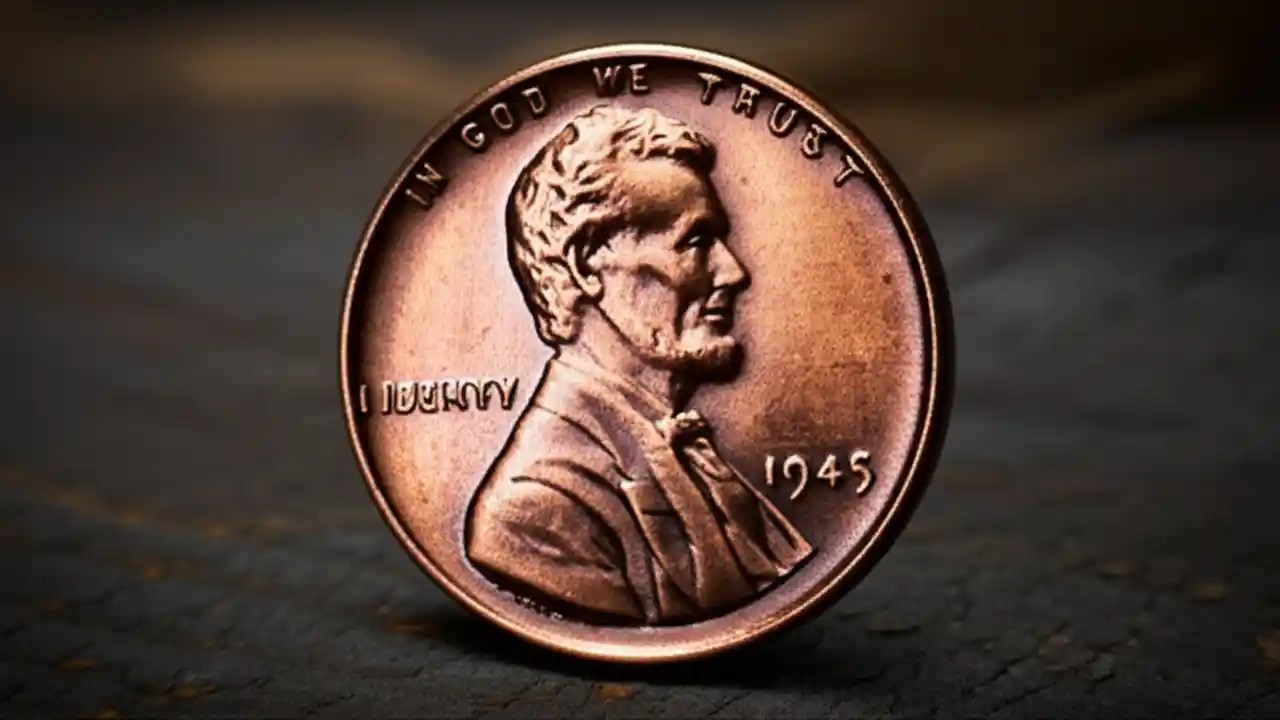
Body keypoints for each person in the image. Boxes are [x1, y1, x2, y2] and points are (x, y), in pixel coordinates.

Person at [465, 106, 812, 626]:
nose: (733, 272)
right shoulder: (535, 509)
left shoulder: (688, 453)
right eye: (695, 241)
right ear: (587, 266)